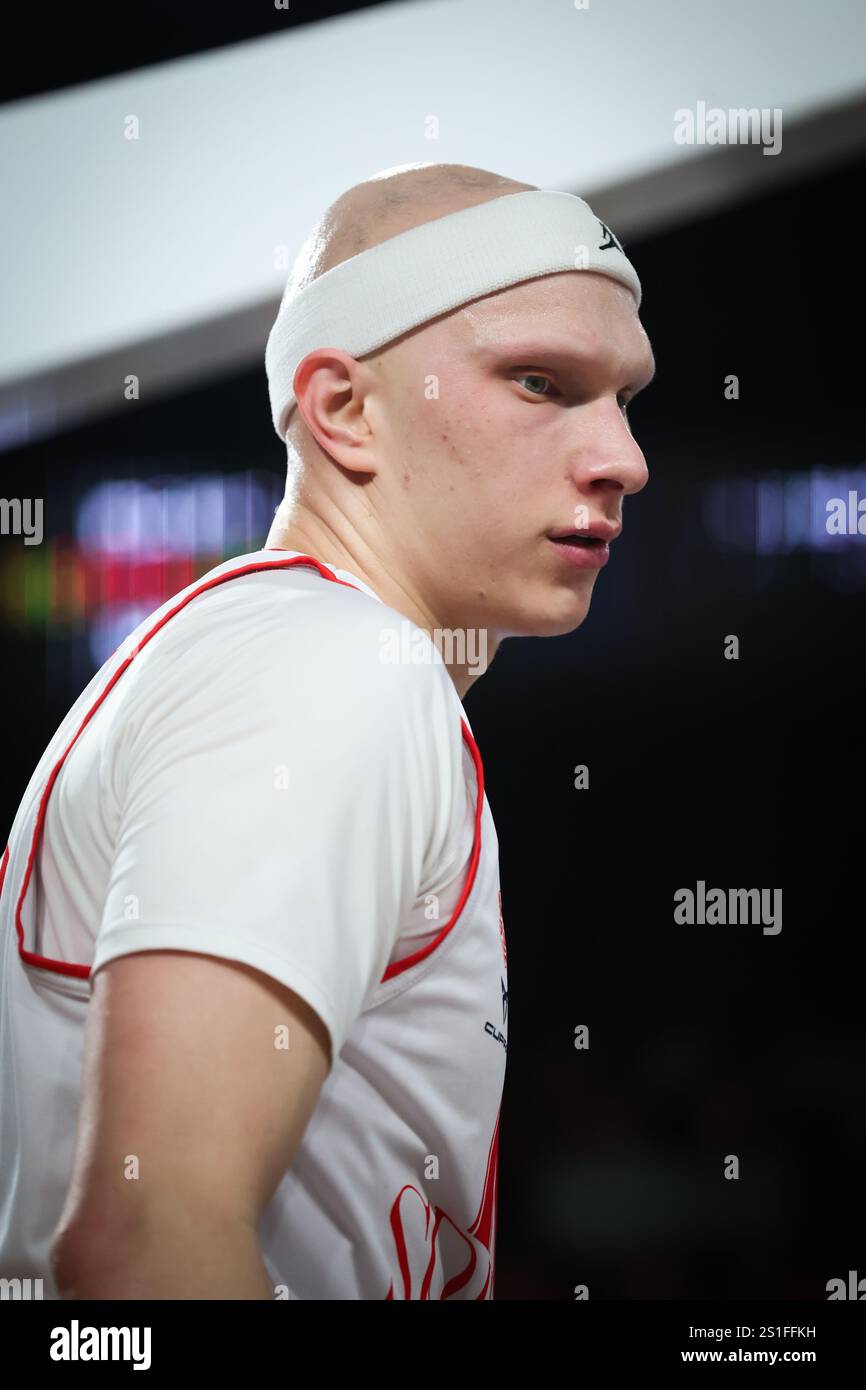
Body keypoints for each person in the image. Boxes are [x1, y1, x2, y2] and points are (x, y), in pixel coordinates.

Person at [0, 162, 655, 1300]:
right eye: (542, 382)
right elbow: (143, 1253)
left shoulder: (298, 651)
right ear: (344, 408)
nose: (622, 460)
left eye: (623, 400)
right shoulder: (333, 663)